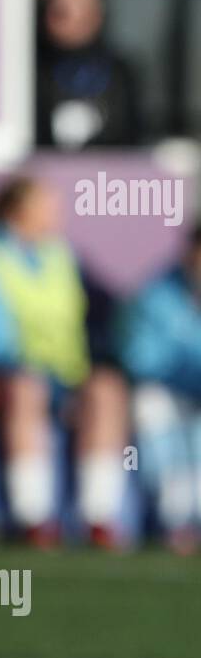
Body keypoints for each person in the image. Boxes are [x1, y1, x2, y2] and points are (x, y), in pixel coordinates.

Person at [0, 177, 127, 545]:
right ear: (20, 211)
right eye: (46, 206)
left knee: (106, 391)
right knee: (26, 389)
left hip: (65, 376)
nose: (55, 215)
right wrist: (24, 366)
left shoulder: (60, 255)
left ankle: (99, 520)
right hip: (3, 378)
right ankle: (33, 521)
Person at [117, 225, 201, 552]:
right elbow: (140, 357)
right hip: (168, 390)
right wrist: (188, 376)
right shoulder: (155, 294)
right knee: (151, 405)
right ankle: (176, 519)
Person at [36, 0, 142, 150]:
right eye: (54, 8)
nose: (54, 18)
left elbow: (130, 141)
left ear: (96, 16)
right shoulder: (30, 71)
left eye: (65, 12)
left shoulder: (120, 73)